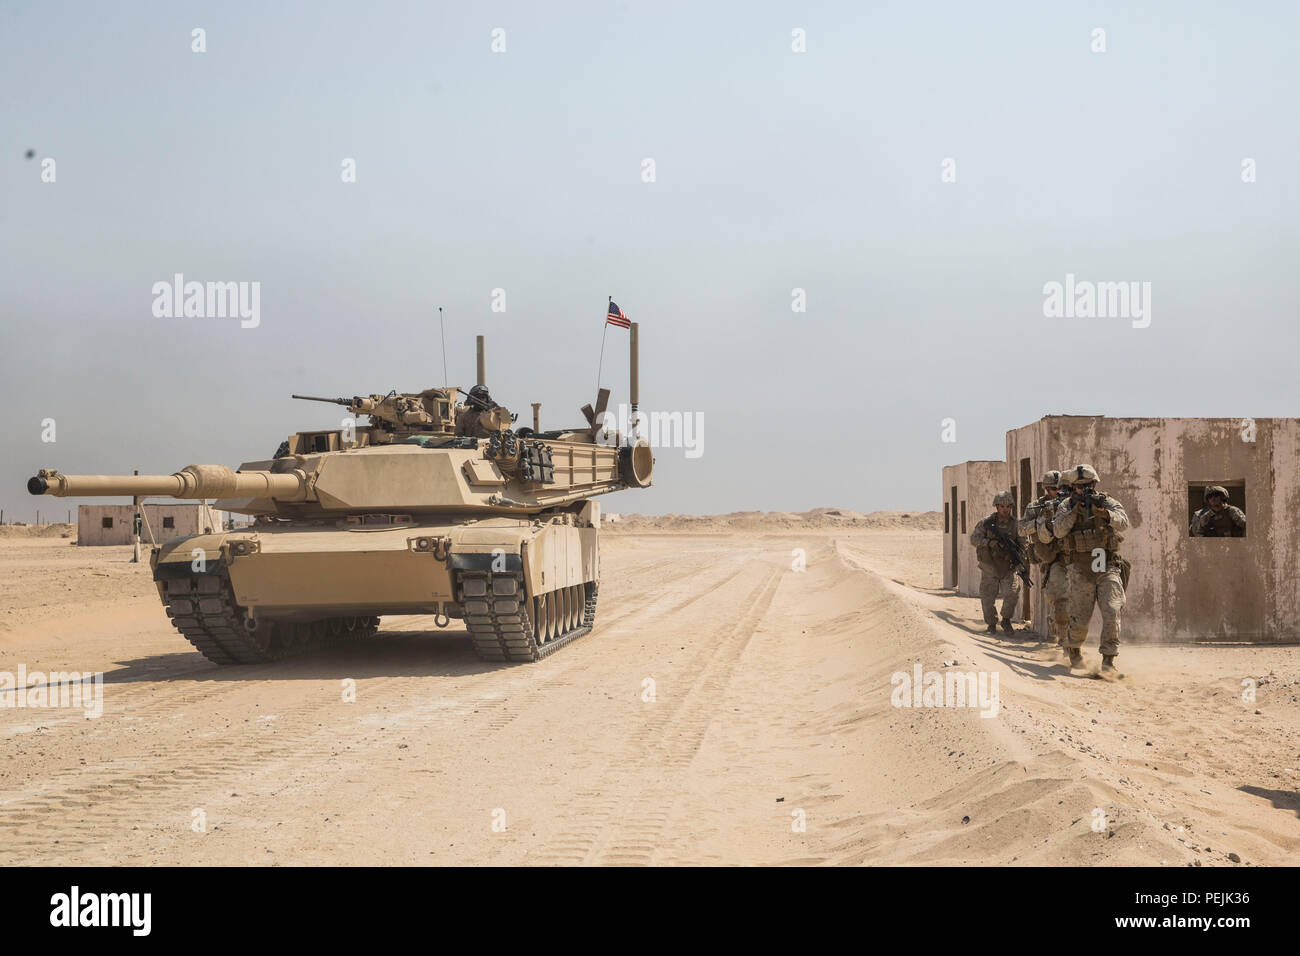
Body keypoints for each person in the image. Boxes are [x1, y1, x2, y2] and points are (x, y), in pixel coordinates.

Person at [1050, 464, 1130, 673]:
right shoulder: (1066, 506)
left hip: (1107, 566)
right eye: (1078, 486)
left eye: (1087, 485)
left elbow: (1124, 523)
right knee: (1080, 617)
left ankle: (1108, 660)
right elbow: (1058, 531)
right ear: (1073, 487)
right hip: (1081, 568)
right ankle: (1074, 650)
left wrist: (1107, 516)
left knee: (1112, 612)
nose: (1083, 490)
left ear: (1094, 484)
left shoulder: (1107, 502)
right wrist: (1074, 512)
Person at [1020, 469, 1071, 649]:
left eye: (1060, 489)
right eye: (1052, 489)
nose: (1056, 492)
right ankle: (1059, 637)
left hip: (1071, 556)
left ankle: (1066, 635)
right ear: (1046, 489)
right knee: (1057, 596)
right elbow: (1021, 529)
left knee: (1071, 598)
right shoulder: (1036, 507)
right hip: (1050, 557)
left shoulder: (1069, 503)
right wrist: (1040, 523)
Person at [970, 491, 1023, 635]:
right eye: (1002, 506)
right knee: (987, 597)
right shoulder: (986, 523)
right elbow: (974, 539)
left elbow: (1023, 544)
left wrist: (1021, 558)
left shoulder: (1016, 524)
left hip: (1008, 566)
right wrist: (990, 542)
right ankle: (991, 624)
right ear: (997, 507)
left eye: (1008, 506)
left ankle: (1006, 619)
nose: (1005, 509)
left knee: (1012, 593)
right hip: (989, 566)